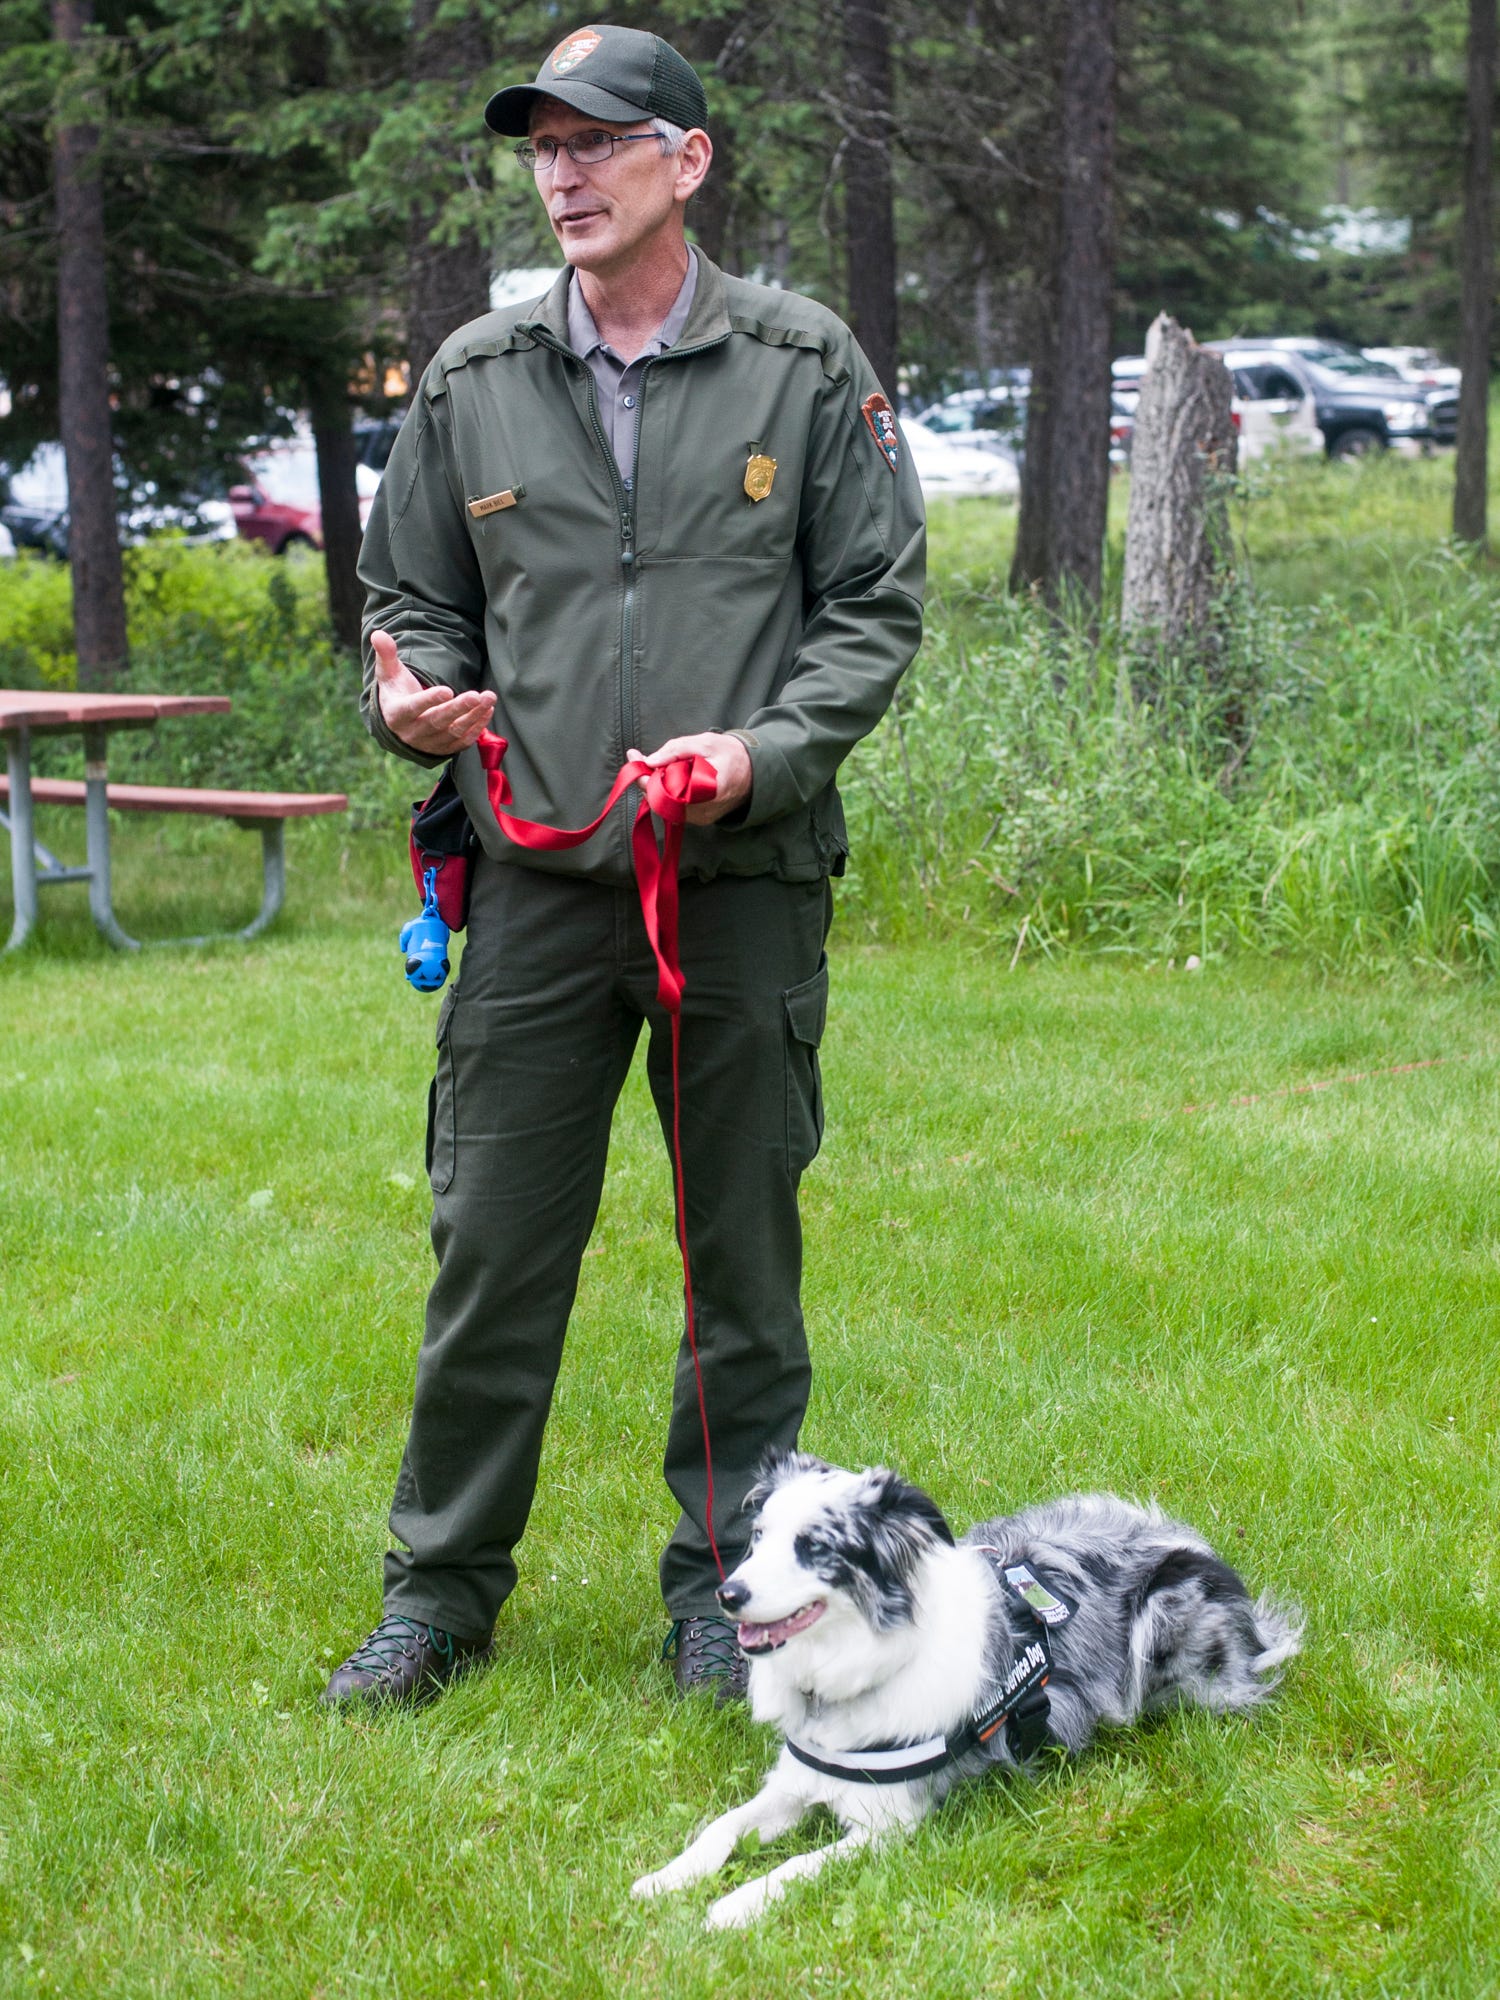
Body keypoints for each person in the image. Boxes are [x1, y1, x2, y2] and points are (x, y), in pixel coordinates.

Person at [323, 22, 925, 1709]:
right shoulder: (471, 376)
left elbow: (873, 608)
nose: (564, 172)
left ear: (690, 160)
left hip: (740, 890)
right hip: (529, 888)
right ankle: (437, 1601)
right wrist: (406, 696)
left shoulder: (805, 367)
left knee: (739, 1262)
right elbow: (412, 600)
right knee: (493, 1251)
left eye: (599, 140)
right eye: (543, 145)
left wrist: (765, 754)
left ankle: (722, 1600)